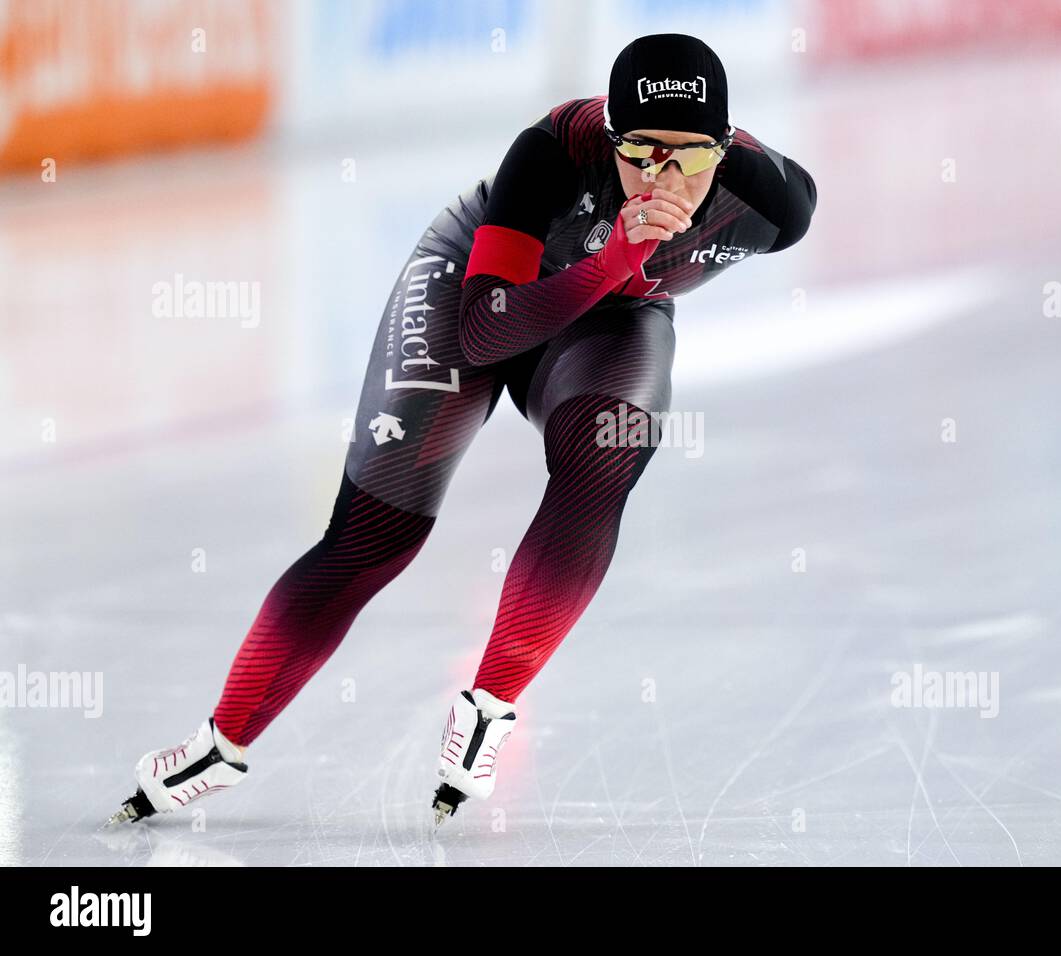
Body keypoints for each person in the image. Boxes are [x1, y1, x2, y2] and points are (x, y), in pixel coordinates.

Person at [108, 33, 817, 829]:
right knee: (377, 535)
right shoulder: (551, 153)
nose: (662, 176)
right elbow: (484, 334)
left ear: (726, 148)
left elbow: (773, 210)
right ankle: (222, 740)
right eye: (641, 150)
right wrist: (615, 257)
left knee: (611, 452)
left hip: (614, 312)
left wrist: (622, 273)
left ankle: (492, 702)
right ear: (608, 133)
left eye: (689, 156)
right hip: (479, 293)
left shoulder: (772, 204)